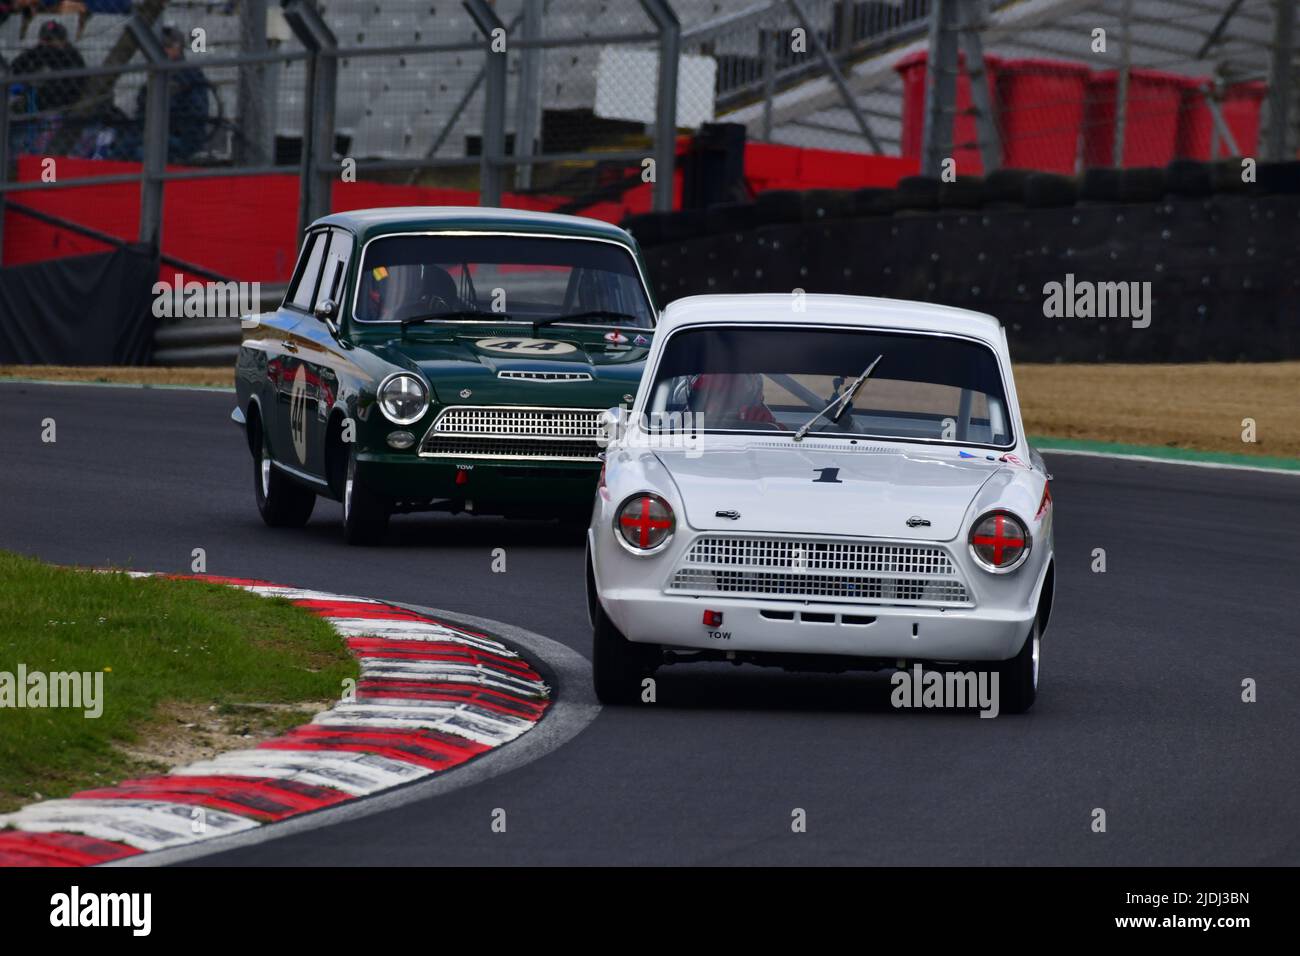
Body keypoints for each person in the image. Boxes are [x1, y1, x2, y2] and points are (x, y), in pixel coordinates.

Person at [135, 25, 213, 162]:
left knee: (138, 152)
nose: (164, 51)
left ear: (178, 48)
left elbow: (196, 112)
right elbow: (142, 105)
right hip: (156, 134)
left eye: (168, 46)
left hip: (181, 138)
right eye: (161, 47)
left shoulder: (190, 74)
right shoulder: (156, 74)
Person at [10, 19, 85, 113]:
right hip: (31, 94)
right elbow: (16, 66)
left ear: (63, 40)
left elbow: (70, 87)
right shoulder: (37, 51)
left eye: (51, 40)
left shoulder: (72, 57)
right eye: (45, 39)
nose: (47, 43)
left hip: (59, 100)